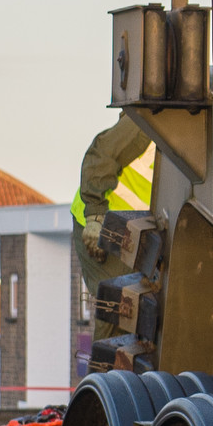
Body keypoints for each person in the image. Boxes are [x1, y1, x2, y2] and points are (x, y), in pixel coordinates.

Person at [71, 111, 155, 294]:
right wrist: (95, 216)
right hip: (101, 223)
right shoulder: (148, 122)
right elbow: (101, 156)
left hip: (134, 231)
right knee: (121, 305)